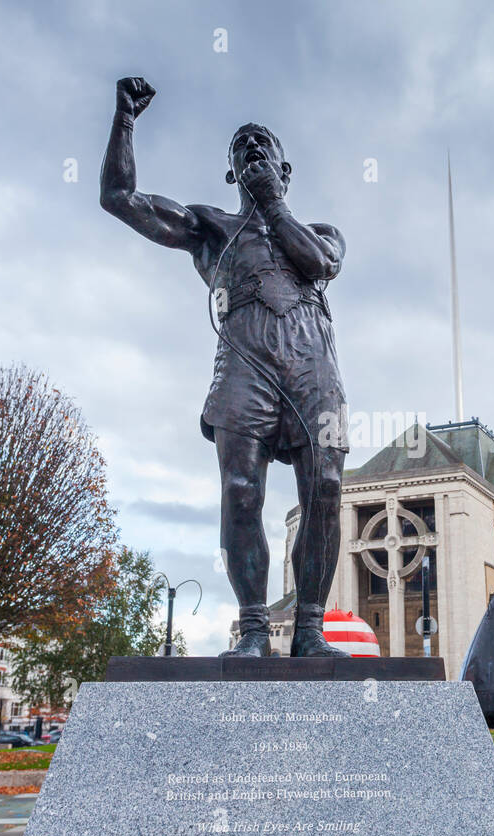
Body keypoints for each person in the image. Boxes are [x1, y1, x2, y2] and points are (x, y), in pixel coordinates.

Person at [101, 77, 349, 658]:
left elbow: (319, 264)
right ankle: (256, 629)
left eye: (264, 145)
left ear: (285, 172)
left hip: (314, 369)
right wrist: (125, 121)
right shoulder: (211, 228)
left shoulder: (322, 232)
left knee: (327, 488)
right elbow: (119, 199)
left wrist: (274, 206)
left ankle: (310, 630)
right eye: (243, 148)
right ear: (232, 173)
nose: (254, 150)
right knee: (241, 493)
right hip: (243, 368)